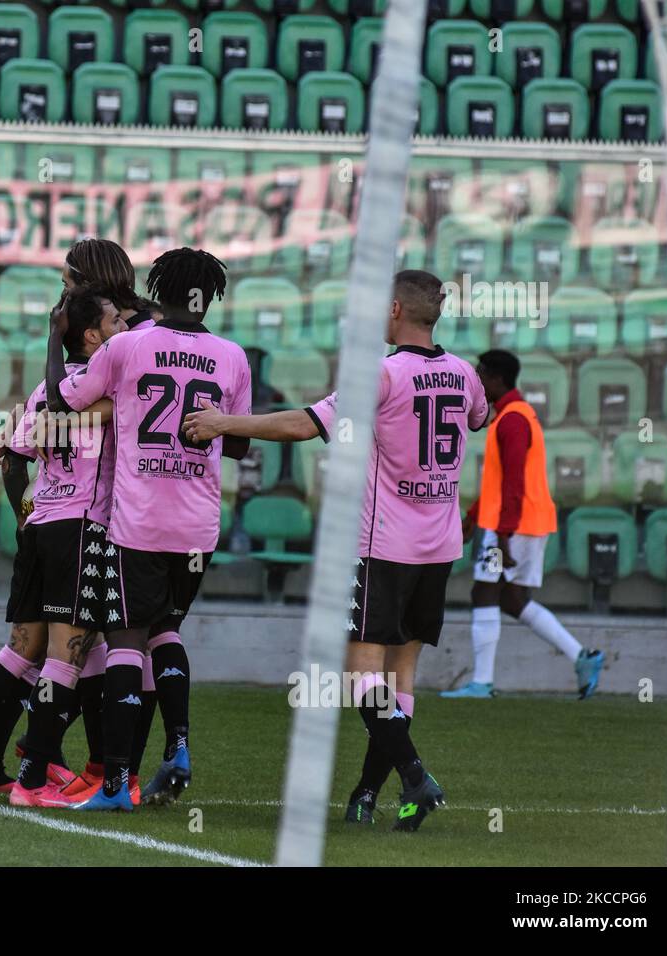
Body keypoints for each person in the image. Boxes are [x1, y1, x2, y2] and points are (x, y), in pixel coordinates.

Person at [183, 270, 488, 831]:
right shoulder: (464, 373)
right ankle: (369, 797)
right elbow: (476, 418)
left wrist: (222, 422)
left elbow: (304, 425)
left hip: (384, 545)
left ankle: (416, 776)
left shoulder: (381, 374)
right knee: (403, 677)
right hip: (439, 545)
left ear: (394, 309)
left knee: (363, 676)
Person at [46, 247, 253, 811]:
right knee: (168, 633)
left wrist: (56, 333)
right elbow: (237, 442)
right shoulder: (232, 356)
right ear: (209, 295)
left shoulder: (127, 344)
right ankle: (179, 746)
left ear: (157, 286)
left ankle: (114, 784)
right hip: (197, 525)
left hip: (137, 522)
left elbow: (64, 401)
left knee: (125, 643)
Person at [0, 288, 130, 804]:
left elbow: (12, 454)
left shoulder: (44, 389)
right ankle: (33, 782)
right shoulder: (106, 388)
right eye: (115, 320)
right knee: (68, 657)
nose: (124, 327)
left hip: (39, 526)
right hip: (82, 527)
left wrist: (10, 465)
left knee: (21, 652)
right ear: (92, 335)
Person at [442, 349, 606, 700]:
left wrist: (502, 538)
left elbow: (514, 484)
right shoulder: (513, 416)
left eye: (482, 374)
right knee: (512, 599)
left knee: (483, 591)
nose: (479, 381)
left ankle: (482, 683)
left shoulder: (513, 420)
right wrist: (473, 519)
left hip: (514, 526)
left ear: (498, 379)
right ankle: (583, 656)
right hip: (523, 523)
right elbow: (501, 481)